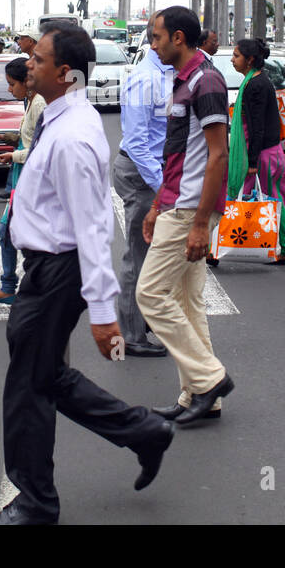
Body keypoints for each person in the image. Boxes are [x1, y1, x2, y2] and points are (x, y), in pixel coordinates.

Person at [0, 24, 174, 525]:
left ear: (66, 73)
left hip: (58, 271)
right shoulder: (61, 120)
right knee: (45, 376)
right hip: (47, 269)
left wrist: (104, 315)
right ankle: (144, 431)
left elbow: (92, 228)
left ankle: (36, 503)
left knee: (28, 388)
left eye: (38, 59)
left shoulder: (74, 138)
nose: (28, 65)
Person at [137, 6, 234, 426]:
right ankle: (200, 395)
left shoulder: (205, 80)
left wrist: (199, 222)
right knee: (186, 301)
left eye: (156, 36)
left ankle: (210, 378)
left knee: (150, 295)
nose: (151, 44)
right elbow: (177, 155)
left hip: (190, 208)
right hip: (176, 202)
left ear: (178, 37)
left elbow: (219, 155)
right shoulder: (183, 80)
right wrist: (157, 203)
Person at [111, 34, 174, 358]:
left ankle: (142, 320)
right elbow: (137, 143)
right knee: (137, 255)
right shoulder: (146, 79)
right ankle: (132, 335)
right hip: (141, 174)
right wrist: (162, 186)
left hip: (151, 171)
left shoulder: (165, 74)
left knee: (151, 253)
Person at [0, 57, 45, 306]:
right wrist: (5, 137)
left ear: (26, 82)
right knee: (8, 231)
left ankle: (21, 288)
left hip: (31, 176)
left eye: (11, 83)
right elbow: (28, 138)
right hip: (22, 175)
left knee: (12, 231)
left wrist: (13, 154)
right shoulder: (31, 101)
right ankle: (11, 286)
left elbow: (42, 148)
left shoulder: (40, 104)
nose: (8, 89)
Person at [230, 37, 285, 266]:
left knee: (238, 197)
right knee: (271, 201)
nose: (232, 60)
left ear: (249, 60)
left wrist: (251, 161)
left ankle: (219, 246)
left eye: (236, 56)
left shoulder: (256, 85)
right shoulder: (258, 80)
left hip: (262, 155)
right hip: (268, 152)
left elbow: (257, 126)